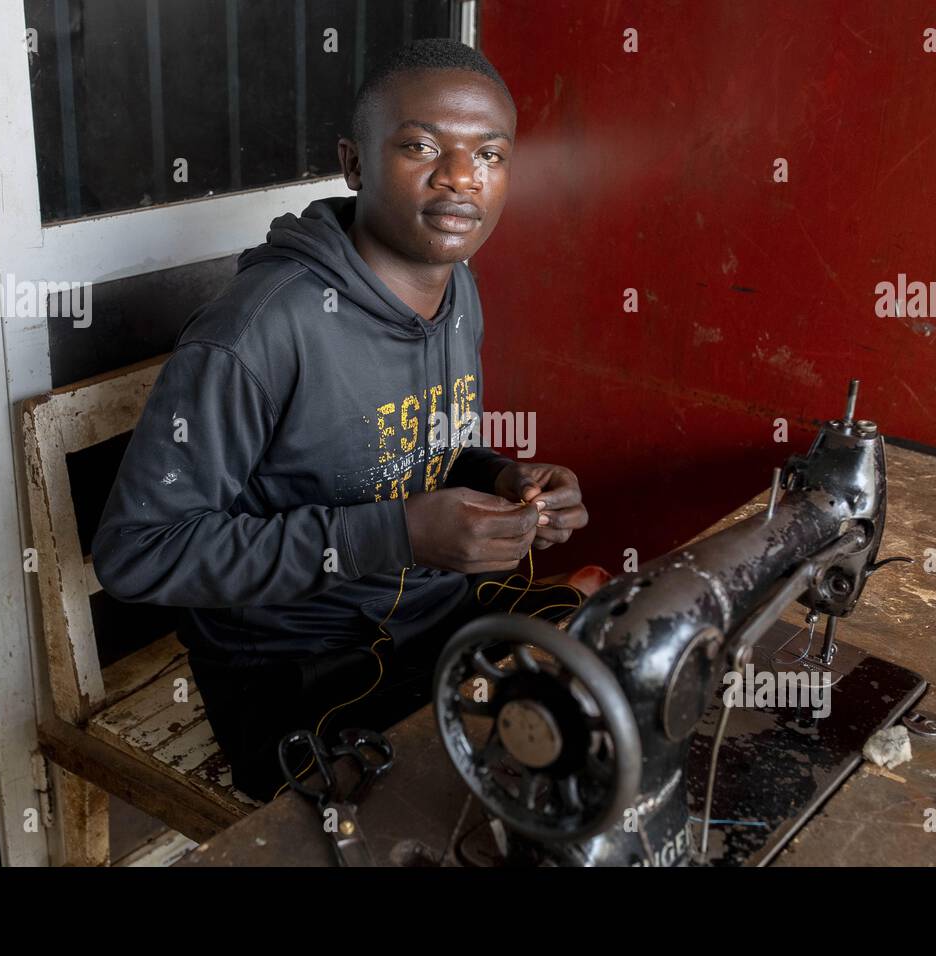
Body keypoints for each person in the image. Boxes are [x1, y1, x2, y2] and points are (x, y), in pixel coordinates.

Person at [92, 38, 596, 802]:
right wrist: (395, 533)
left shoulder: (458, 291)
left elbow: (422, 447)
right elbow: (136, 553)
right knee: (450, 806)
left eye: (490, 154)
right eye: (422, 146)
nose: (462, 176)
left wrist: (501, 476)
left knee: (607, 682)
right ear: (355, 164)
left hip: (434, 615)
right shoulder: (259, 331)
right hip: (292, 668)